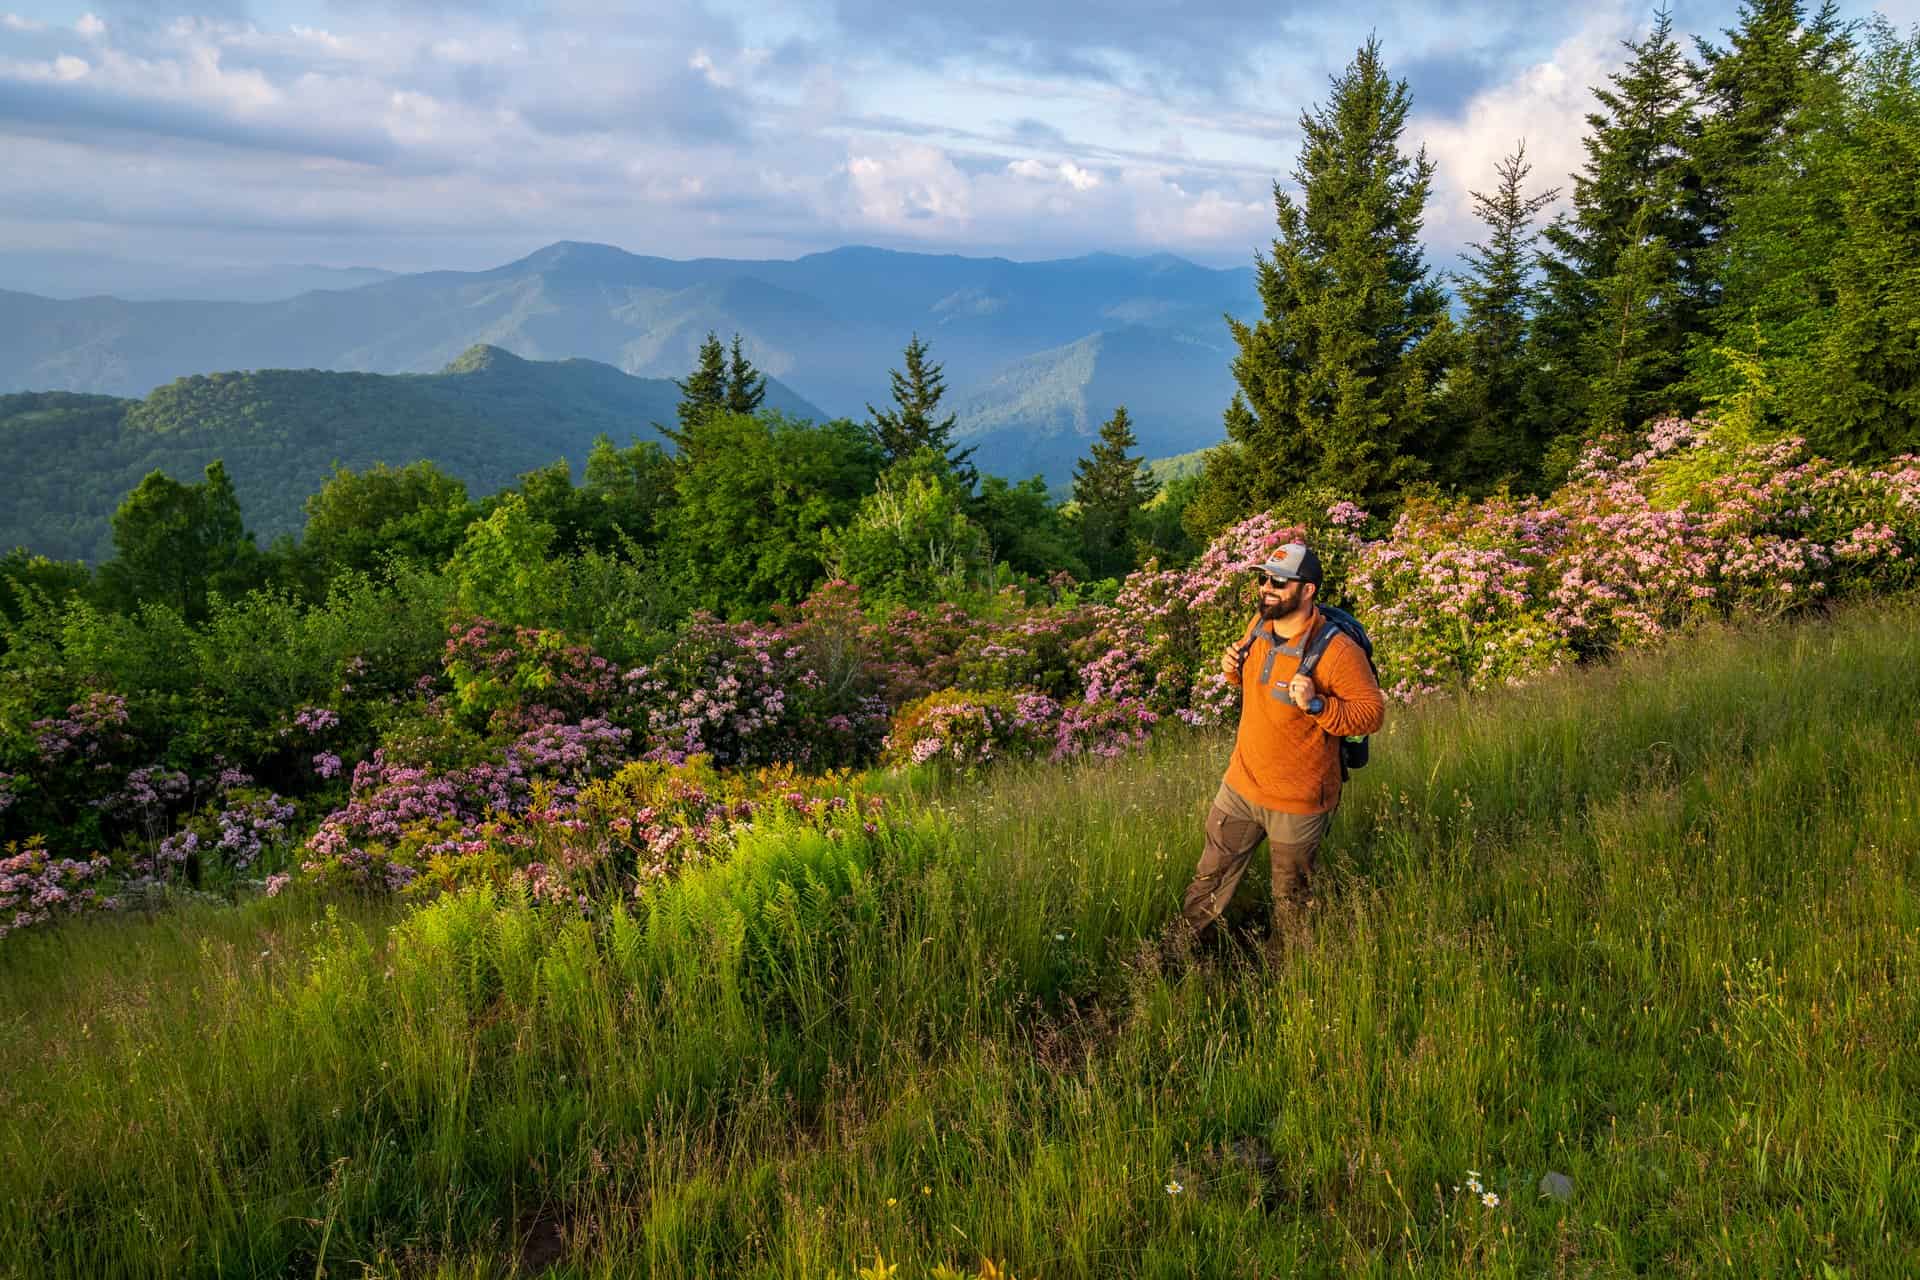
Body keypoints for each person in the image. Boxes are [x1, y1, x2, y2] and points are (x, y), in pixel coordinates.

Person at [1176, 541, 1384, 947]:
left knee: (1292, 899)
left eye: (1279, 582)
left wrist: (1318, 704)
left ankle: (1285, 971)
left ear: (1307, 590)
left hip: (1298, 801)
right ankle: (1178, 955)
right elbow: (1257, 684)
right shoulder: (1259, 625)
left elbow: (1370, 714)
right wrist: (1232, 671)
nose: (1266, 588)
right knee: (1208, 880)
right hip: (1241, 785)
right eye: (1264, 579)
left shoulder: (1337, 651)